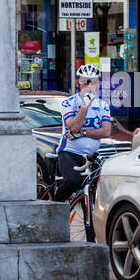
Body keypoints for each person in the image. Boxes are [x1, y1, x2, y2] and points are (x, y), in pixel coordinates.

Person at [53, 64, 111, 202]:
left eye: (94, 81)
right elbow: (73, 127)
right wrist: (85, 105)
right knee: (75, 180)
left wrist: (83, 133)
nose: (89, 85)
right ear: (78, 82)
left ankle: (90, 217)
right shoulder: (68, 103)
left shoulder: (103, 105)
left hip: (91, 156)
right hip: (69, 152)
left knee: (102, 184)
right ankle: (54, 210)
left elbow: (106, 131)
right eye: (85, 81)